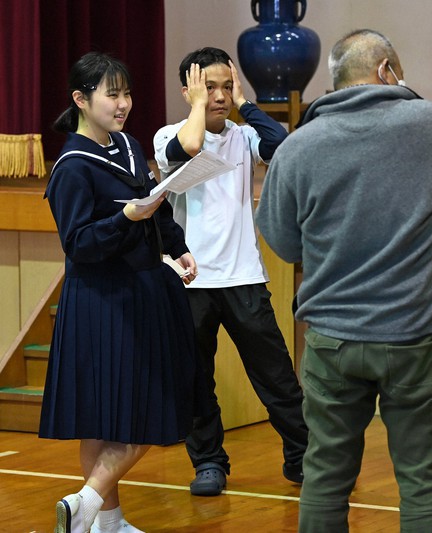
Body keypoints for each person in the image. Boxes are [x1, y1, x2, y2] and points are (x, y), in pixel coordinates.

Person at [255, 29, 432, 532]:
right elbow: (408, 104)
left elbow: (281, 242)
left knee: (325, 478)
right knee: (424, 483)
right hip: (414, 333)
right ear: (387, 69)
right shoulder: (428, 123)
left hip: (332, 338)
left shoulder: (297, 147)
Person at [40, 52, 200, 533]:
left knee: (123, 410)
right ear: (80, 100)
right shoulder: (71, 165)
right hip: (102, 299)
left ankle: (104, 519)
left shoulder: (128, 145)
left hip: (144, 287)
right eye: (112, 94)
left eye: (126, 93)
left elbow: (154, 200)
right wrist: (123, 219)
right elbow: (79, 243)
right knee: (120, 410)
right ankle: (90, 505)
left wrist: (178, 245)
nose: (123, 103)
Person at [153, 47, 308, 495]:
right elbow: (191, 147)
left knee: (277, 376)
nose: (219, 95)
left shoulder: (244, 137)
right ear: (187, 92)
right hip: (190, 281)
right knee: (197, 378)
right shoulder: (170, 135)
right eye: (208, 87)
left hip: (243, 278)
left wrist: (246, 104)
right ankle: (209, 463)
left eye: (225, 86)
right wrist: (199, 108)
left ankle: (302, 458)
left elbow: (284, 148)